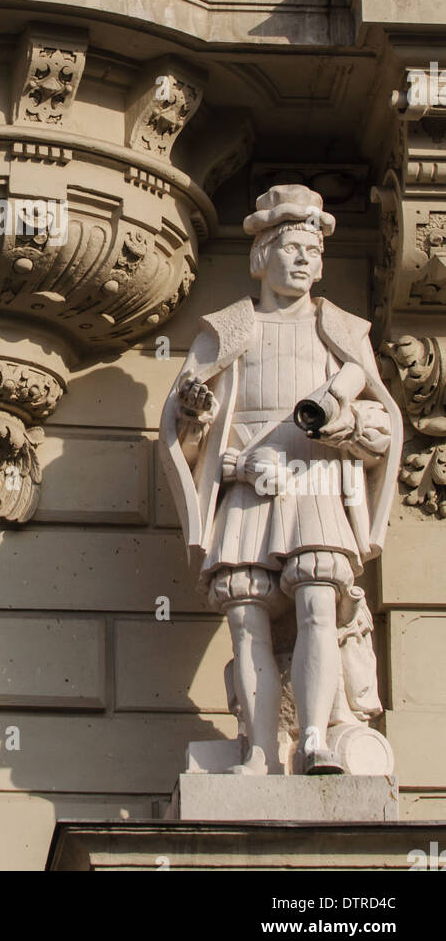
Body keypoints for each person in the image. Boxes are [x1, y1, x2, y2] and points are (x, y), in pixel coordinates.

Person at [159, 185, 401, 774]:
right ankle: (261, 750)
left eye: (313, 252)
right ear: (261, 256)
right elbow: (185, 434)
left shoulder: (343, 331)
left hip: (316, 481)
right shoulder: (227, 329)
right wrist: (205, 427)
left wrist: (339, 418)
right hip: (248, 490)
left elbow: (382, 424)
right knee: (246, 618)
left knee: (320, 599)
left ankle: (315, 737)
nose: (304, 261)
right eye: (292, 248)